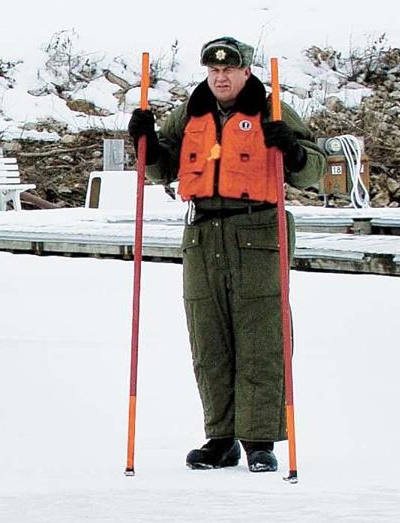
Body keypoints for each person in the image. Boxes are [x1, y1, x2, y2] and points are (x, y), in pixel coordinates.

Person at [127, 36, 325, 473]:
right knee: (208, 335)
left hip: (257, 228)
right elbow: (162, 166)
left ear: (246, 72)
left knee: (261, 335)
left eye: (229, 70)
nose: (220, 77)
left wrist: (290, 148)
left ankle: (258, 439)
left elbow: (314, 168)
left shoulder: (273, 109)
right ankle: (220, 436)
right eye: (213, 70)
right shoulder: (190, 113)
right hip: (201, 232)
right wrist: (146, 143)